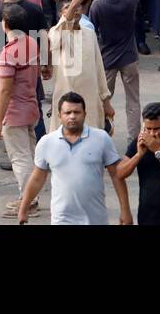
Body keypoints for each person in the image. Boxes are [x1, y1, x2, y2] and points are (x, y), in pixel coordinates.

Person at [18, 92, 133, 225]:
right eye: (68, 113)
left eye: (77, 112)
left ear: (84, 114)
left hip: (95, 219)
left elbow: (116, 176)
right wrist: (23, 208)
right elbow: (37, 179)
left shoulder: (101, 139)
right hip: (62, 219)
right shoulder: (47, 142)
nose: (72, 116)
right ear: (59, 116)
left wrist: (125, 211)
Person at [0, 2, 43, 218]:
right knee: (30, 156)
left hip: (15, 112)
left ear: (5, 24)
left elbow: (5, 90)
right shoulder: (31, 43)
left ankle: (27, 201)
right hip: (31, 107)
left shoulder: (8, 53)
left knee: (20, 158)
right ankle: (31, 198)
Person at [47, 0, 115, 134]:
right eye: (69, 7)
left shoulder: (90, 34)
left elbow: (99, 70)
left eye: (78, 6)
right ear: (61, 14)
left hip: (90, 100)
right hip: (66, 101)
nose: (75, 9)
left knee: (92, 142)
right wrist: (74, 2)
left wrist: (106, 102)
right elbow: (58, 34)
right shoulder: (56, 33)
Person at [89, 0, 142, 139]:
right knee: (133, 101)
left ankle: (102, 135)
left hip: (107, 60)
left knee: (102, 100)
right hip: (129, 57)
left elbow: (91, 32)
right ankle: (133, 140)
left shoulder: (98, 5)